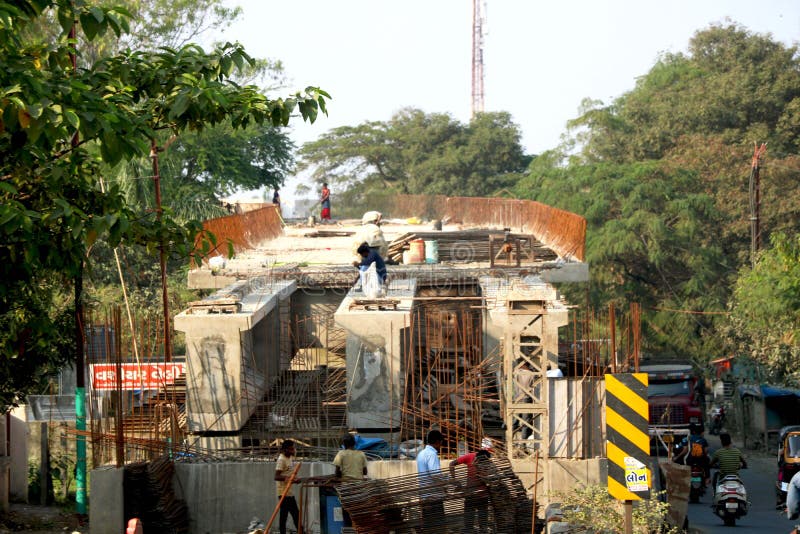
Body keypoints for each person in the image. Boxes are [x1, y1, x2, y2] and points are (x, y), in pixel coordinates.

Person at [449, 437, 493, 533]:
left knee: (483, 525)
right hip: (471, 495)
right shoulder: (470, 457)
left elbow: (491, 479)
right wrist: (455, 480)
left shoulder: (489, 462)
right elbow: (452, 463)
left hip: (483, 497)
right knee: (468, 525)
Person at [333, 434, 368, 527]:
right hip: (359, 487)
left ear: (344, 443)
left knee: (347, 512)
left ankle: (348, 530)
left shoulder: (341, 454)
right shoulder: (361, 454)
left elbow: (337, 473)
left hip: (346, 487)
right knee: (358, 511)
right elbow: (365, 472)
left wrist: (342, 474)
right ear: (354, 443)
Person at [417, 429, 445, 533]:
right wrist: (448, 481)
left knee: (429, 527)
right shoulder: (432, 455)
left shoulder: (421, 454)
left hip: (425, 496)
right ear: (438, 441)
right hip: (434, 497)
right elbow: (436, 475)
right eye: (441, 442)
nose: (441, 444)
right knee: (438, 528)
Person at [274, 439, 304, 534]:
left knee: (286, 515)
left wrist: (295, 480)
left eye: (293, 448)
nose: (293, 451)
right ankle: (301, 532)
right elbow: (277, 476)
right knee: (294, 515)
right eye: (291, 449)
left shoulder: (289, 457)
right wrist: (290, 479)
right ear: (285, 450)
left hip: (289, 492)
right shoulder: (281, 459)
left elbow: (289, 473)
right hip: (283, 492)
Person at [513, 360, 536, 439]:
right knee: (526, 423)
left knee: (515, 421)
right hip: (526, 399)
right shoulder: (531, 374)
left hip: (517, 399)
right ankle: (523, 444)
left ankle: (510, 439)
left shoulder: (516, 373)